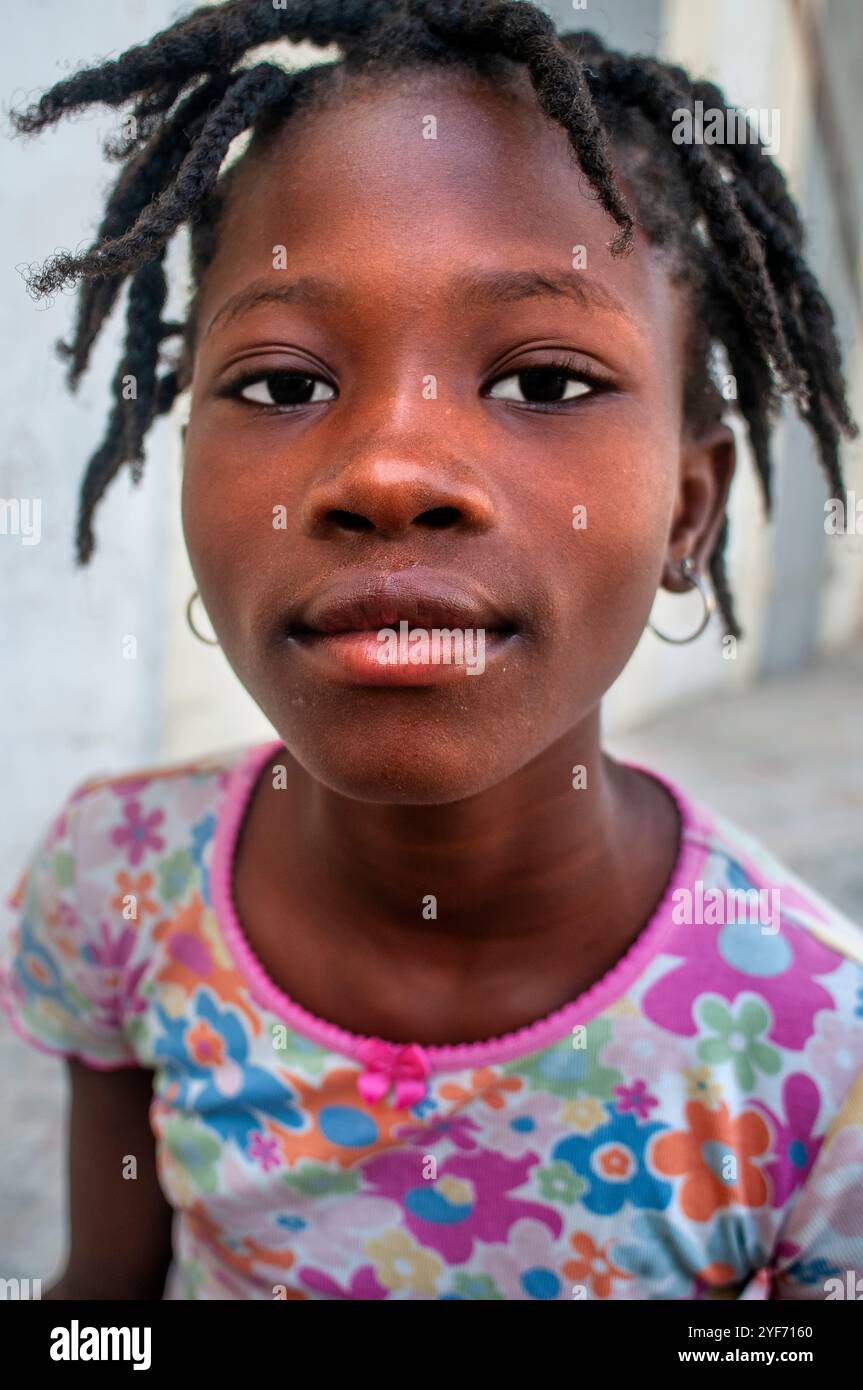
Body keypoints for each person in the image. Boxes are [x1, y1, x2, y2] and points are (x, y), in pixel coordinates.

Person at [2, 0, 862, 1301]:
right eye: (284, 382)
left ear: (690, 508)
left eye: (544, 382)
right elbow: (106, 1302)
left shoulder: (819, 1046)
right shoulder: (115, 883)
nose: (392, 471)